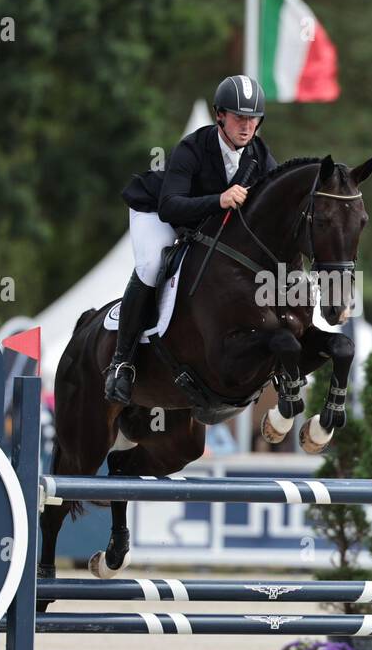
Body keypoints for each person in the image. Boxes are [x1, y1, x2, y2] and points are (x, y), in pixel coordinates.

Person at [107, 74, 279, 403]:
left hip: (201, 222)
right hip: (158, 213)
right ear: (220, 115)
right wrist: (219, 200)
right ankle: (122, 362)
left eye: (253, 118)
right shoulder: (193, 148)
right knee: (153, 262)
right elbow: (170, 207)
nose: (246, 126)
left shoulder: (259, 154)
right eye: (239, 117)